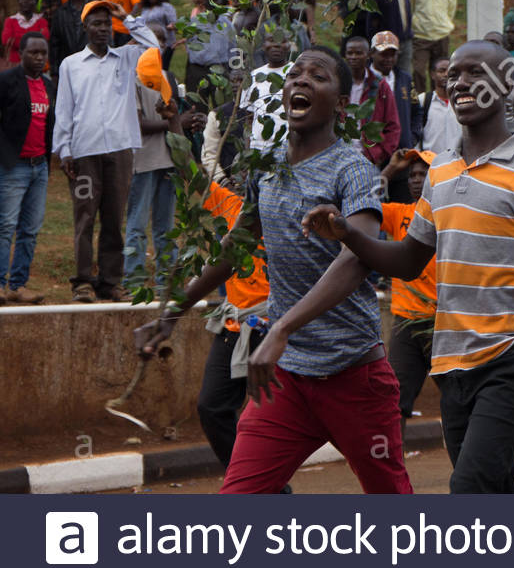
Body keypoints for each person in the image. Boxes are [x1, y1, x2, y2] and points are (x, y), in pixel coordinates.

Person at [296, 40, 514, 492]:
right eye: (454, 74)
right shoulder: (440, 171)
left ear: (507, 85)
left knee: (468, 490)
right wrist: (349, 234)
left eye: (475, 73)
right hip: (451, 365)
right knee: (494, 493)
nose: (459, 82)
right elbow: (407, 260)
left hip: (511, 359)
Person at [135, 45, 412, 494]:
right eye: (294, 75)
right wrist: (170, 314)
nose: (300, 81)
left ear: (341, 104)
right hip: (286, 382)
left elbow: (358, 257)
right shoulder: (269, 168)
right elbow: (234, 248)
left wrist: (281, 327)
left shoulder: (352, 168)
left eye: (317, 76)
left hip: (354, 378)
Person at [53, 0, 161, 303]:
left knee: (114, 219)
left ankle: (110, 282)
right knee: (85, 217)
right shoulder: (71, 64)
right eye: (96, 23)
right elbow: (64, 110)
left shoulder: (127, 58)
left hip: (120, 150)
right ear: (85, 27)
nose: (102, 29)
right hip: (84, 152)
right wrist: (64, 149)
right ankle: (82, 282)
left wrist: (126, 17)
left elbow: (153, 46)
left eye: (105, 23)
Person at [193, 180, 272, 475]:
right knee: (211, 406)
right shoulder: (231, 206)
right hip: (234, 326)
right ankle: (262, 489)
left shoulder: (289, 213)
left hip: (277, 329)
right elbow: (190, 169)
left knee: (269, 421)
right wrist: (175, 131)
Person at [378, 148, 440, 432]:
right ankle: (394, 473)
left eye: (422, 174)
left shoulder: (453, 214)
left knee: (460, 397)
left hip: (446, 322)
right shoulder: (400, 214)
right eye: (411, 175)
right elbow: (361, 204)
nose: (415, 180)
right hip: (407, 322)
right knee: (392, 403)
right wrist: (390, 171)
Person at [0, 34, 55, 304]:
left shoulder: (48, 85)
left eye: (43, 53)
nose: (39, 58)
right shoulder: (6, 81)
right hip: (13, 167)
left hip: (39, 167)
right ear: (21, 53)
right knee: (6, 226)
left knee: (30, 229)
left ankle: (18, 286)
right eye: (33, 52)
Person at [123, 55, 183, 292]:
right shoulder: (134, 79)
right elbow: (138, 124)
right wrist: (175, 122)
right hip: (143, 161)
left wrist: (180, 121)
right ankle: (134, 283)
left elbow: (177, 113)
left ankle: (166, 283)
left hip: (168, 160)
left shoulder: (168, 77)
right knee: (137, 224)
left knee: (166, 226)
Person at [342, 35, 401, 168]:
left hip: (369, 158)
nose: (354, 57)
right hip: (341, 156)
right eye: (350, 53)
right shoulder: (338, 84)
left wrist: (381, 154)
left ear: (368, 55)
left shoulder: (379, 85)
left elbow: (393, 125)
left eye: (358, 53)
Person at [409, 0, 456, 97]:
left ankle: (440, 99)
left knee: (441, 73)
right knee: (418, 71)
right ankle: (421, 101)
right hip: (420, 37)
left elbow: (450, 13)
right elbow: (410, 8)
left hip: (441, 37)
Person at [240, 33, 293, 154]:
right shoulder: (253, 77)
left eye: (282, 41)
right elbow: (248, 118)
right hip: (258, 148)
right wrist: (247, 152)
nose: (276, 45)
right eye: (271, 40)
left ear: (289, 46)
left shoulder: (297, 75)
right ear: (263, 46)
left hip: (287, 147)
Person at [370, 31, 417, 160]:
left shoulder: (405, 79)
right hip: (373, 153)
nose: (388, 59)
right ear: (372, 53)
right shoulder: (364, 80)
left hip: (402, 153)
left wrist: (411, 137)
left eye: (392, 55)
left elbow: (416, 110)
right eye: (384, 54)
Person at [365, 0, 415, 77]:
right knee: (385, 74)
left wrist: (408, 35)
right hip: (387, 43)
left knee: (404, 74)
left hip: (405, 41)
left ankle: (402, 95)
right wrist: (377, 43)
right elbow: (371, 23)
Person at [47, 0, 92, 72]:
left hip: (92, 65)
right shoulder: (61, 12)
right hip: (68, 66)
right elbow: (54, 43)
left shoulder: (96, 10)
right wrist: (54, 71)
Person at [133, 0, 178, 70]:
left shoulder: (166, 7)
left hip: (165, 44)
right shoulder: (145, 9)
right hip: (148, 44)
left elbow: (174, 24)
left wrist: (168, 27)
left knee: (162, 69)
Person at [419, 56, 459, 155]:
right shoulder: (423, 100)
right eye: (442, 71)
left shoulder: (461, 101)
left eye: (450, 71)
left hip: (457, 162)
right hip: (430, 162)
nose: (446, 74)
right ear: (432, 74)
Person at [3, 0, 49, 65]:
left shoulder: (41, 21)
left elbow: (44, 40)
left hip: (36, 64)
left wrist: (17, 37)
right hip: (14, 64)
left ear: (36, 2)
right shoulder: (10, 20)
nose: (26, 1)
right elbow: (6, 40)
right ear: (18, 1)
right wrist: (34, 39)